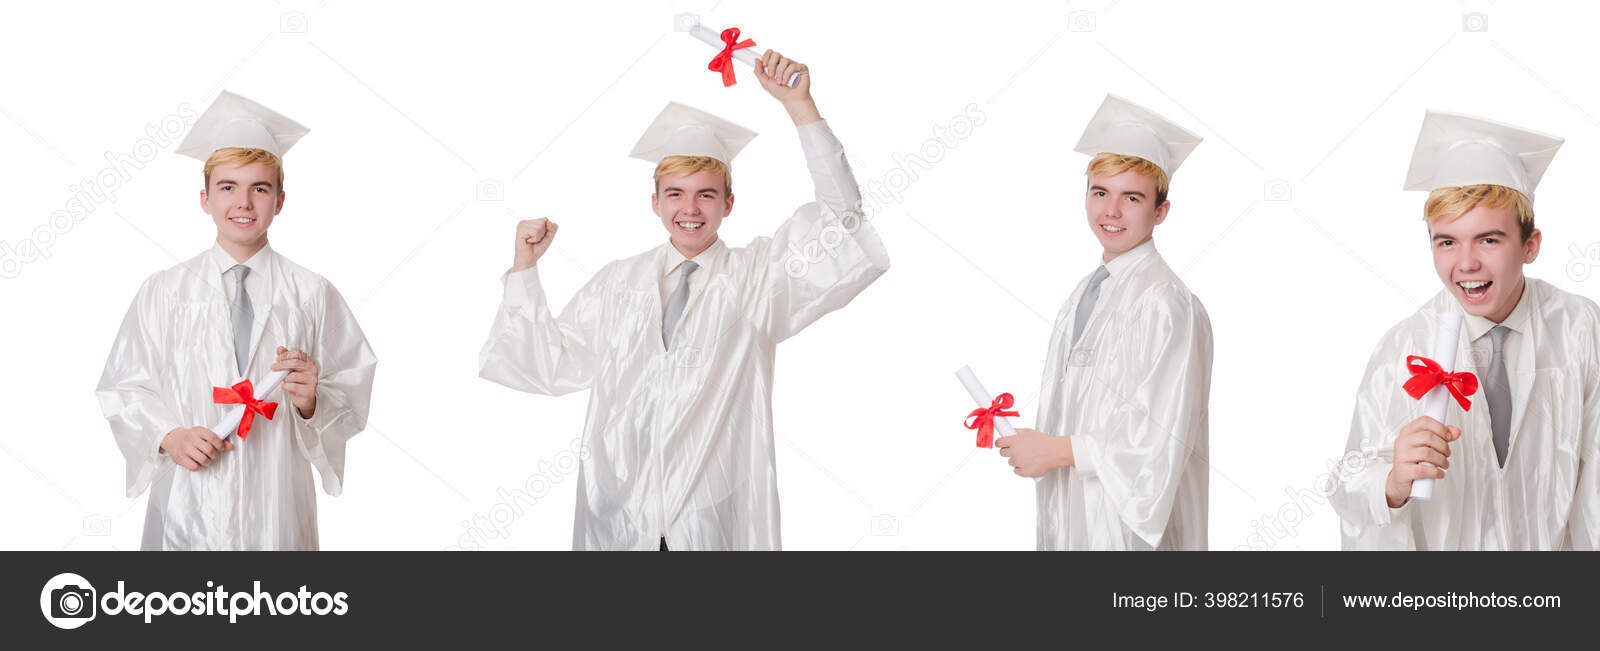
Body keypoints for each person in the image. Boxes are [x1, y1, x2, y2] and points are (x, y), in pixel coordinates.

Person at [478, 51, 888, 550]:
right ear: (655, 202)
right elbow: (543, 363)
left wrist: (800, 106)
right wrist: (525, 267)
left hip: (712, 516)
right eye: (674, 194)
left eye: (706, 195)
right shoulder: (617, 285)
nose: (689, 209)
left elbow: (842, 219)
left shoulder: (759, 278)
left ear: (728, 204)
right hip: (621, 515)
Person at [97, 91, 377, 550]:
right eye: (228, 187)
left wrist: (311, 402)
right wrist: (170, 435)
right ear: (205, 199)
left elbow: (350, 389)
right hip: (188, 506)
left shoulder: (311, 293)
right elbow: (123, 386)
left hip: (278, 506)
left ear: (280, 200)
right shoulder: (166, 291)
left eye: (259, 188)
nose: (243, 202)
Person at [1331, 110, 1600, 550]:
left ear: (1530, 246)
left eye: (1489, 240)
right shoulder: (1405, 346)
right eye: (1447, 242)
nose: (1466, 263)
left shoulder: (1580, 328)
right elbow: (1347, 482)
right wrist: (1394, 479)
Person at [996, 95, 1213, 550]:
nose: (1111, 212)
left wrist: (1054, 450)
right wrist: (1035, 444)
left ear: (1160, 211)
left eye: (1131, 197)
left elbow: (1160, 433)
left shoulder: (1165, 302)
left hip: (1124, 534)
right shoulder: (1087, 292)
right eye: (1101, 192)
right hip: (1073, 516)